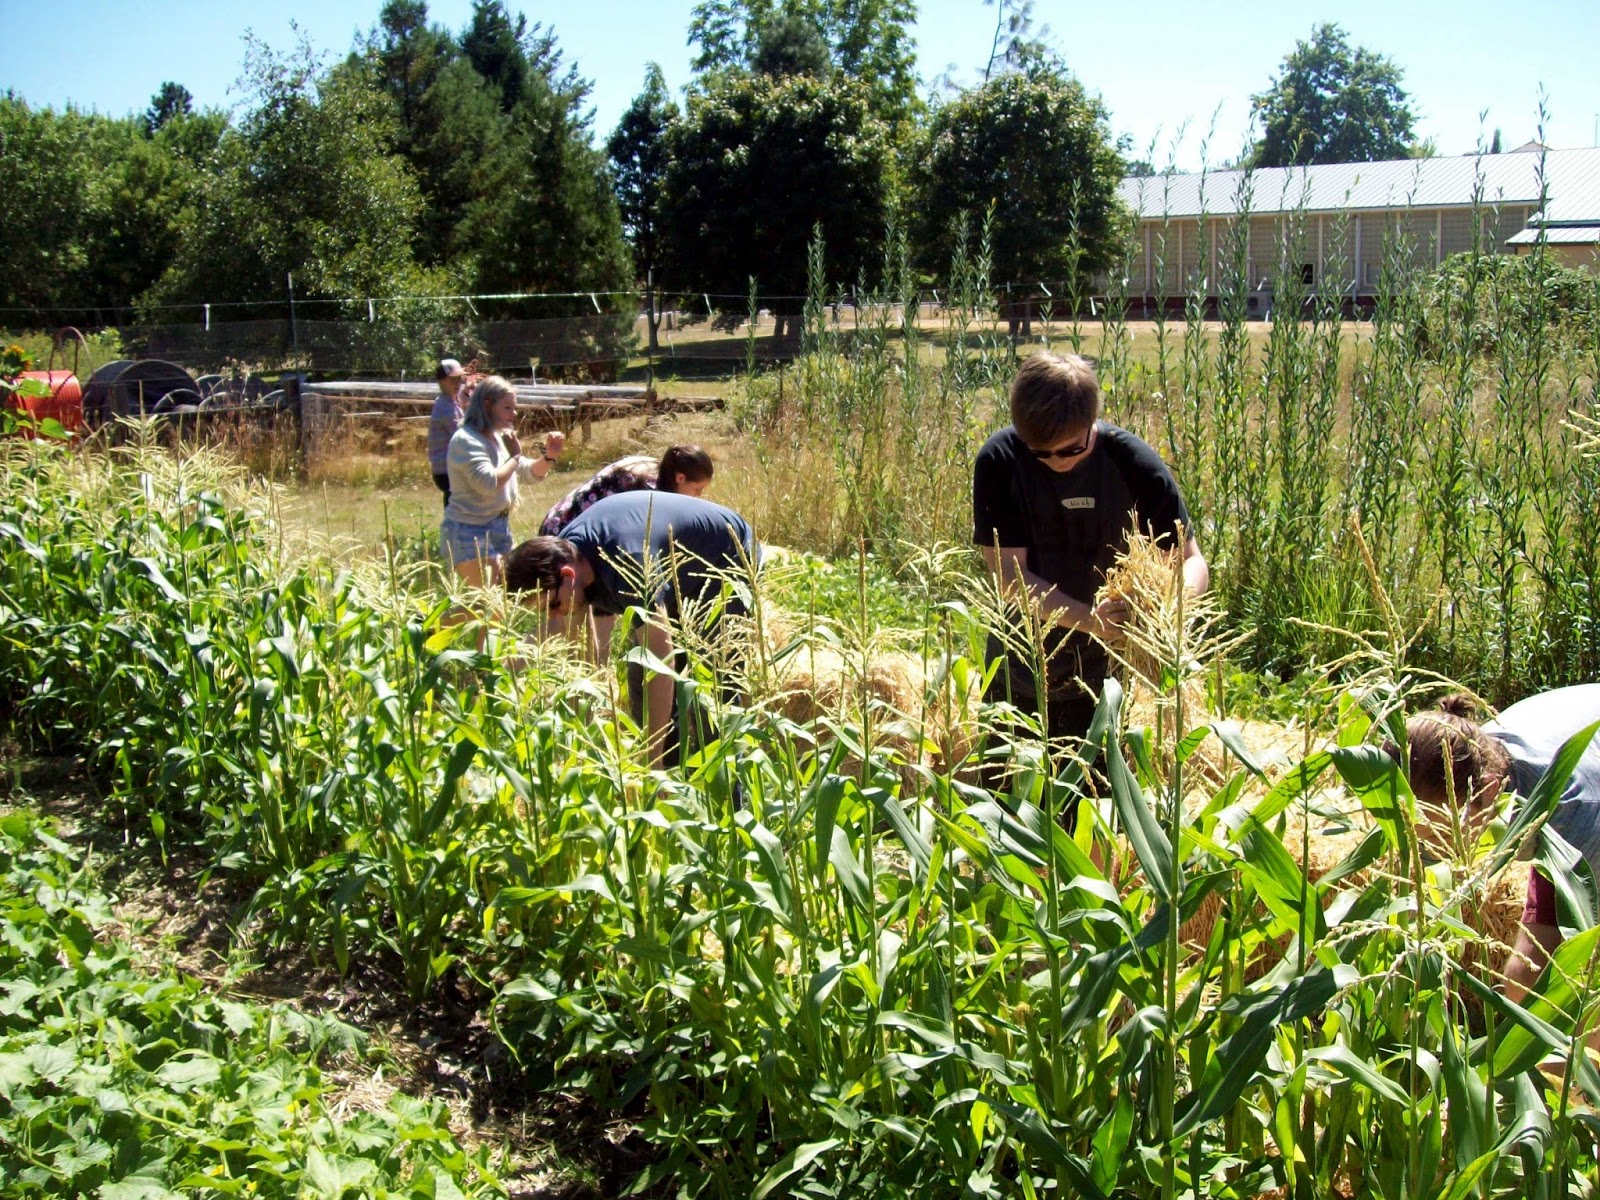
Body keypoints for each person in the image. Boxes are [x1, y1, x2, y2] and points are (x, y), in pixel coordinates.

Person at [972, 350, 1209, 761]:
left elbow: (1190, 561)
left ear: (1092, 423)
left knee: (1093, 800)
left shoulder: (1133, 464)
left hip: (1104, 672)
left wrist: (1169, 611)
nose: (1054, 462)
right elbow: (1010, 577)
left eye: (1068, 451)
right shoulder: (1001, 461)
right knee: (1009, 799)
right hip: (1020, 662)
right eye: (1039, 452)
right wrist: (1089, 620)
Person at [503, 490, 757, 764]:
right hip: (668, 564)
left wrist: (652, 758)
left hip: (725, 558)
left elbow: (661, 661)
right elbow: (582, 654)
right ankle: (668, 790)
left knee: (713, 691)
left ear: (568, 575)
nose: (555, 615)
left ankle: (728, 791)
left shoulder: (628, 565)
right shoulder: (568, 556)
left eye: (552, 605)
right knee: (641, 682)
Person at [1399, 688, 1600, 1000]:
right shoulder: (1465, 756)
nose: (1431, 854)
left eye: (1441, 839)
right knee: (1522, 983)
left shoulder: (1575, 813)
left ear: (1490, 793)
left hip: (1586, 816)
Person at [441, 375, 564, 587]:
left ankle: (431, 621)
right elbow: (489, 482)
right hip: (470, 529)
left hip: (499, 527)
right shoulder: (466, 440)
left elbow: (526, 472)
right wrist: (515, 456)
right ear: (487, 404)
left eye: (514, 407)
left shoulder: (496, 436)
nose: (514, 413)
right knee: (488, 605)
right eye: (507, 407)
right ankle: (428, 622)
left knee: (502, 601)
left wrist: (549, 456)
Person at [537, 445, 715, 536]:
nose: (699, 496)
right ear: (680, 477)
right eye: (697, 489)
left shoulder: (663, 469)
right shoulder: (643, 490)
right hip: (562, 528)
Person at [428, 358, 469, 507]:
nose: (458, 383)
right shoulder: (444, 406)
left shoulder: (451, 402)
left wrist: (466, 394)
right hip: (446, 470)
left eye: (460, 379)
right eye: (453, 379)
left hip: (450, 468)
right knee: (456, 505)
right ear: (442, 381)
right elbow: (463, 433)